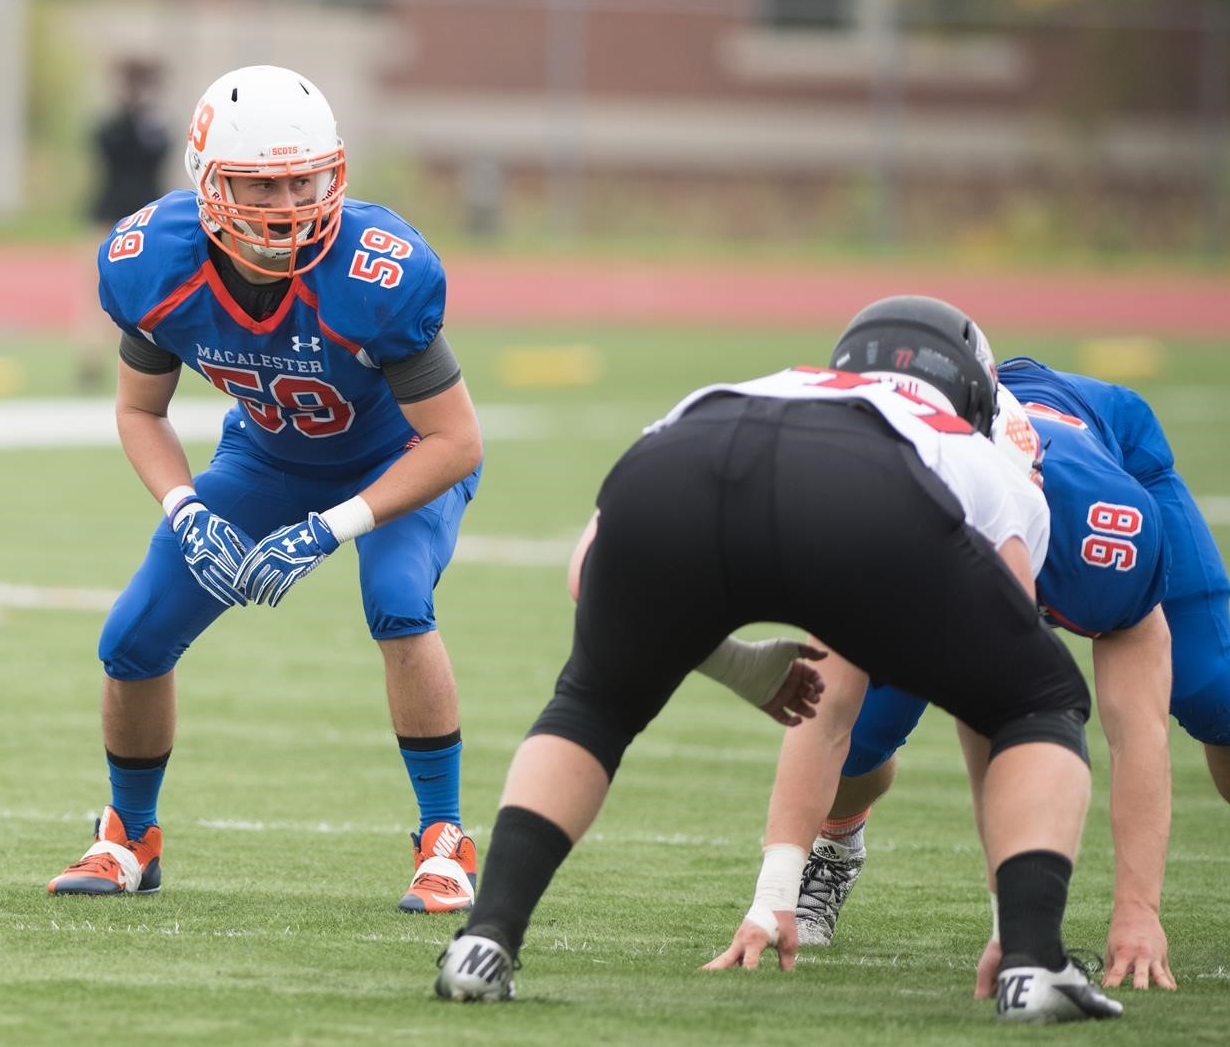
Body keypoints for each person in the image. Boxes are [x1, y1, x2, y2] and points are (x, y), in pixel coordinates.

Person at [434, 295, 1123, 1024]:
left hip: (682, 457)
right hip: (869, 486)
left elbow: (589, 577)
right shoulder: (979, 452)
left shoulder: (753, 386)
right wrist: (1007, 926)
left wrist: (742, 667)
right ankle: (1035, 964)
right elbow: (1000, 693)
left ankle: (485, 944)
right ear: (973, 394)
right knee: (1040, 701)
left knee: (594, 701)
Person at [46, 64, 485, 915]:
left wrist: (332, 529)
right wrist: (185, 507)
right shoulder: (154, 266)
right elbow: (141, 411)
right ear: (209, 186)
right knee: (133, 635)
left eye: (301, 179)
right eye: (262, 183)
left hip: (397, 456)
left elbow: (456, 440)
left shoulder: (374, 271)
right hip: (270, 454)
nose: (288, 204)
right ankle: (129, 837)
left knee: (397, 599)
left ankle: (445, 839)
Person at [781, 355, 1229, 991]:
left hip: (1101, 461)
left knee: (1217, 692)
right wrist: (770, 889)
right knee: (858, 737)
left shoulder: (1104, 532)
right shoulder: (886, 518)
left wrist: (1138, 912)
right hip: (971, 495)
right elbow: (832, 713)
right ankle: (838, 844)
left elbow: (1138, 732)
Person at [75, 59, 174, 392]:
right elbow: (106, 148)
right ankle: (91, 360)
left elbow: (159, 155)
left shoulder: (155, 126)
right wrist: (130, 118)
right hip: (109, 215)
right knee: (98, 292)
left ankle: (147, 366)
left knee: (151, 296)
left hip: (147, 220)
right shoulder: (113, 125)